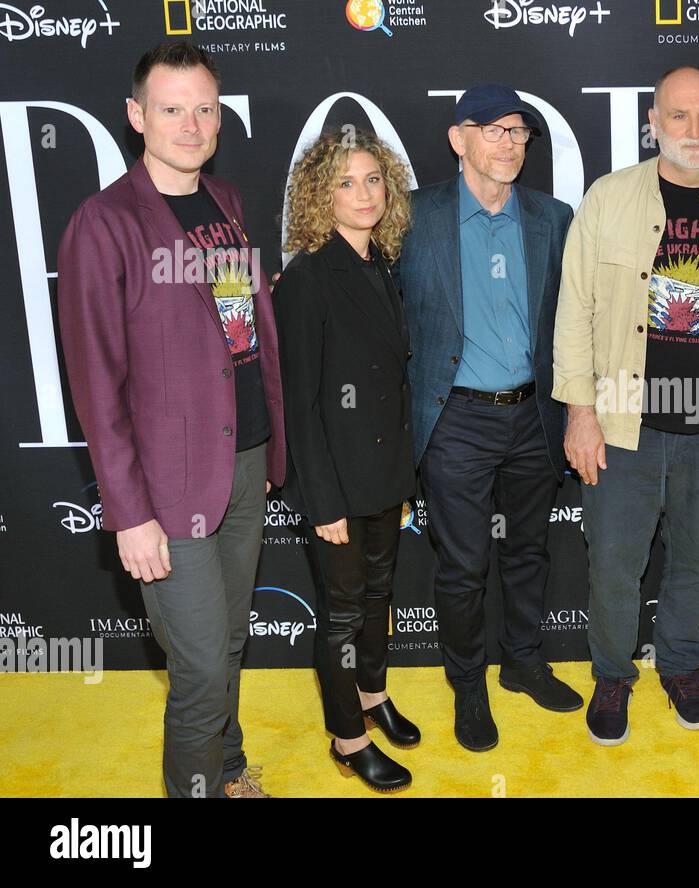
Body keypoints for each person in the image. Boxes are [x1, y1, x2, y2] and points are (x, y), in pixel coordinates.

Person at [56, 42, 284, 798]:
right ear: (135, 116)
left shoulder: (225, 202)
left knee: (229, 642)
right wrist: (129, 515)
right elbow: (96, 383)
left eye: (204, 108)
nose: (191, 124)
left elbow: (227, 328)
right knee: (196, 668)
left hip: (245, 459)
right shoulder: (103, 222)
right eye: (171, 109)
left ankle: (226, 768)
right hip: (167, 485)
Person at [554, 66, 699, 746]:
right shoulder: (609, 198)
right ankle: (613, 676)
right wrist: (579, 411)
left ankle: (682, 665)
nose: (693, 130)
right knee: (615, 564)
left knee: (695, 558)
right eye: (678, 117)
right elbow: (575, 311)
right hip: (624, 421)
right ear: (652, 122)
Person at [401, 84, 580, 753]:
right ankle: (468, 686)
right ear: (458, 139)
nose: (508, 143)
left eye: (518, 132)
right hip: (456, 422)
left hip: (536, 413)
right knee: (463, 564)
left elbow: (579, 319)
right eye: (493, 129)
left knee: (530, 552)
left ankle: (524, 663)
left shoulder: (553, 220)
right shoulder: (413, 218)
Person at [275, 129, 418, 792]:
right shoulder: (307, 276)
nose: (364, 194)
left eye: (372, 179)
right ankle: (347, 736)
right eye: (345, 182)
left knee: (379, 596)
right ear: (319, 195)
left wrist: (402, 476)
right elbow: (299, 404)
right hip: (337, 483)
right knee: (341, 611)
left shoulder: (381, 261)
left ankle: (371, 694)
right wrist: (321, 500)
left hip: (385, 473)